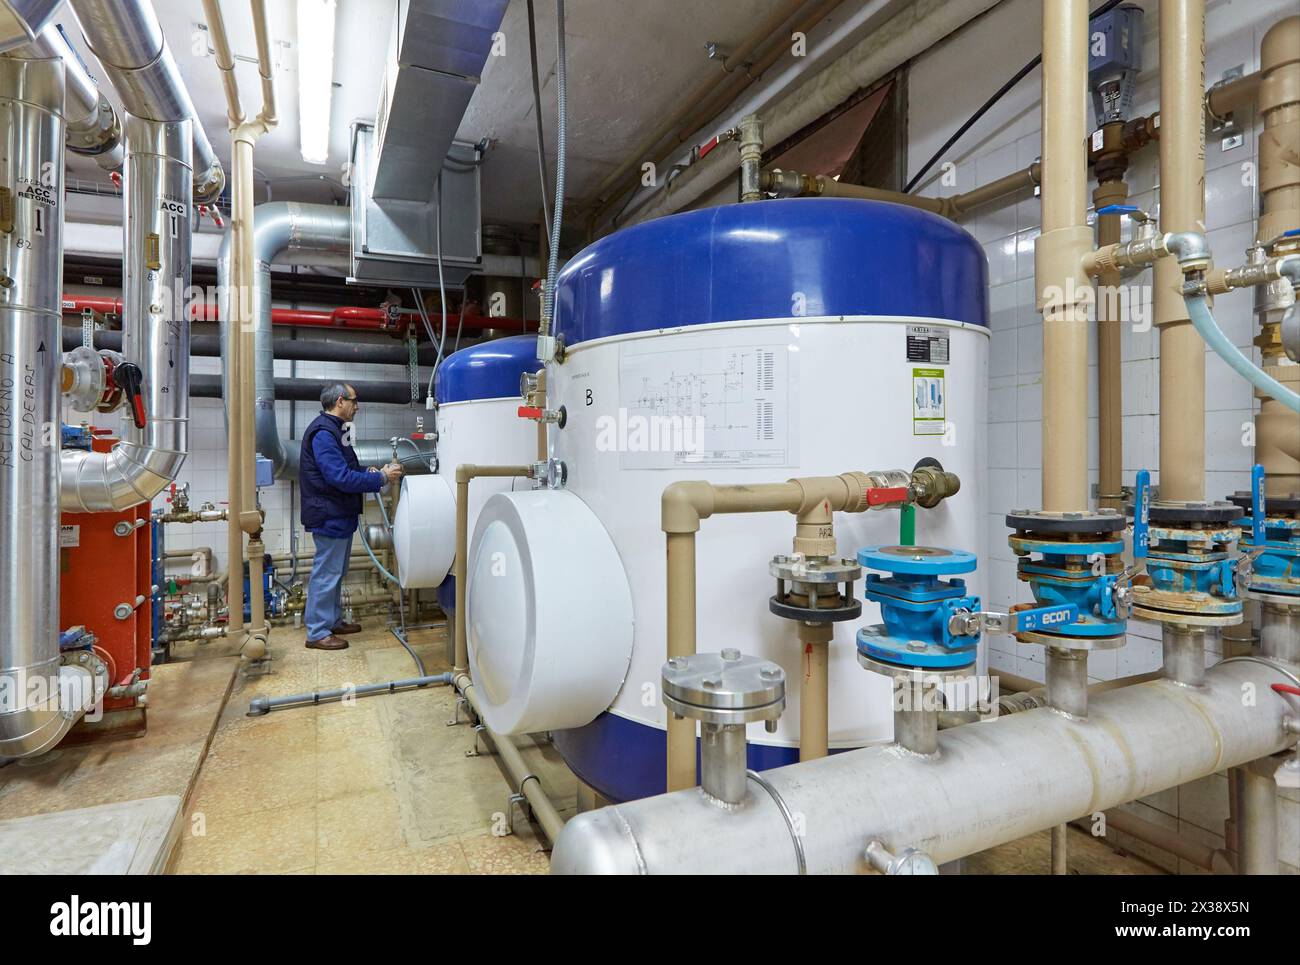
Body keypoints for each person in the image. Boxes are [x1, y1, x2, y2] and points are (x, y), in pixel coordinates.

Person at [298, 383, 402, 651]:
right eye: (354, 401)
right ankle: (318, 632)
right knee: (327, 573)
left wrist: (368, 471)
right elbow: (338, 477)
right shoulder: (323, 433)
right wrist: (380, 478)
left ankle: (331, 621)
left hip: (338, 514)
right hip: (328, 514)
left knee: (335, 571)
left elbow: (346, 468)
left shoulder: (336, 430)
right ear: (341, 401)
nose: (357, 406)